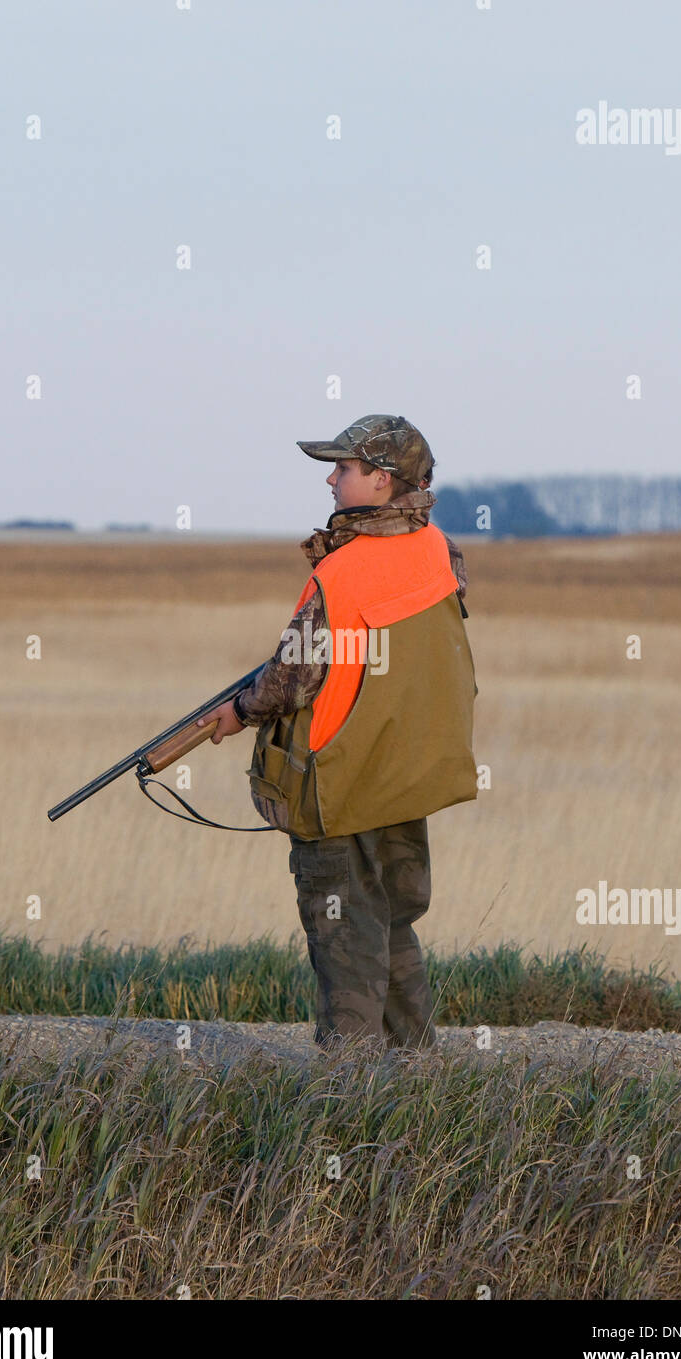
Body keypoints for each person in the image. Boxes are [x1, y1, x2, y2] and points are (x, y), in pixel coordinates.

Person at [200, 414, 477, 1052]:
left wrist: (237, 713)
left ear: (381, 481)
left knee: (344, 930)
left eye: (343, 468)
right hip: (405, 778)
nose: (331, 479)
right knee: (393, 922)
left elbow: (292, 680)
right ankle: (415, 1073)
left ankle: (346, 1098)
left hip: (340, 782)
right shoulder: (441, 549)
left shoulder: (341, 573)